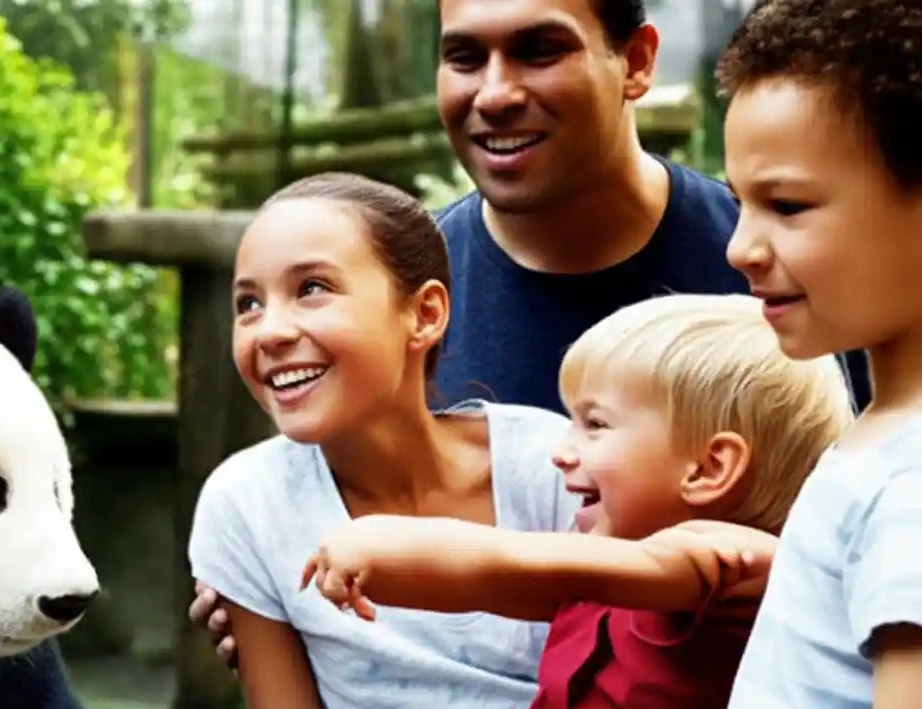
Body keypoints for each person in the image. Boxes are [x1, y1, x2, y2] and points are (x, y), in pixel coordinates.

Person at [188, 0, 872, 667]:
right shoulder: (386, 297)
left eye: (539, 50)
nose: (495, 93)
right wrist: (281, 597)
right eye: (463, 56)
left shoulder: (787, 264)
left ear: (635, 62)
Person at [187, 171, 773, 709]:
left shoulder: (558, 466)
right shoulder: (246, 504)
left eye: (312, 288)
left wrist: (394, 552)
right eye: (249, 304)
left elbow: (650, 632)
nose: (271, 330)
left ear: (425, 313)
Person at [301, 292, 855, 709]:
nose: (562, 452)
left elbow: (510, 568)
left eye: (595, 425)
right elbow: (494, 585)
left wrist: (378, 541)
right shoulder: (618, 570)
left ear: (708, 469)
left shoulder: (738, 563)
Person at [709, 2, 922, 709]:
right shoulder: (885, 438)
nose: (741, 247)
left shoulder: (911, 487)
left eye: (789, 205)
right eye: (740, 202)